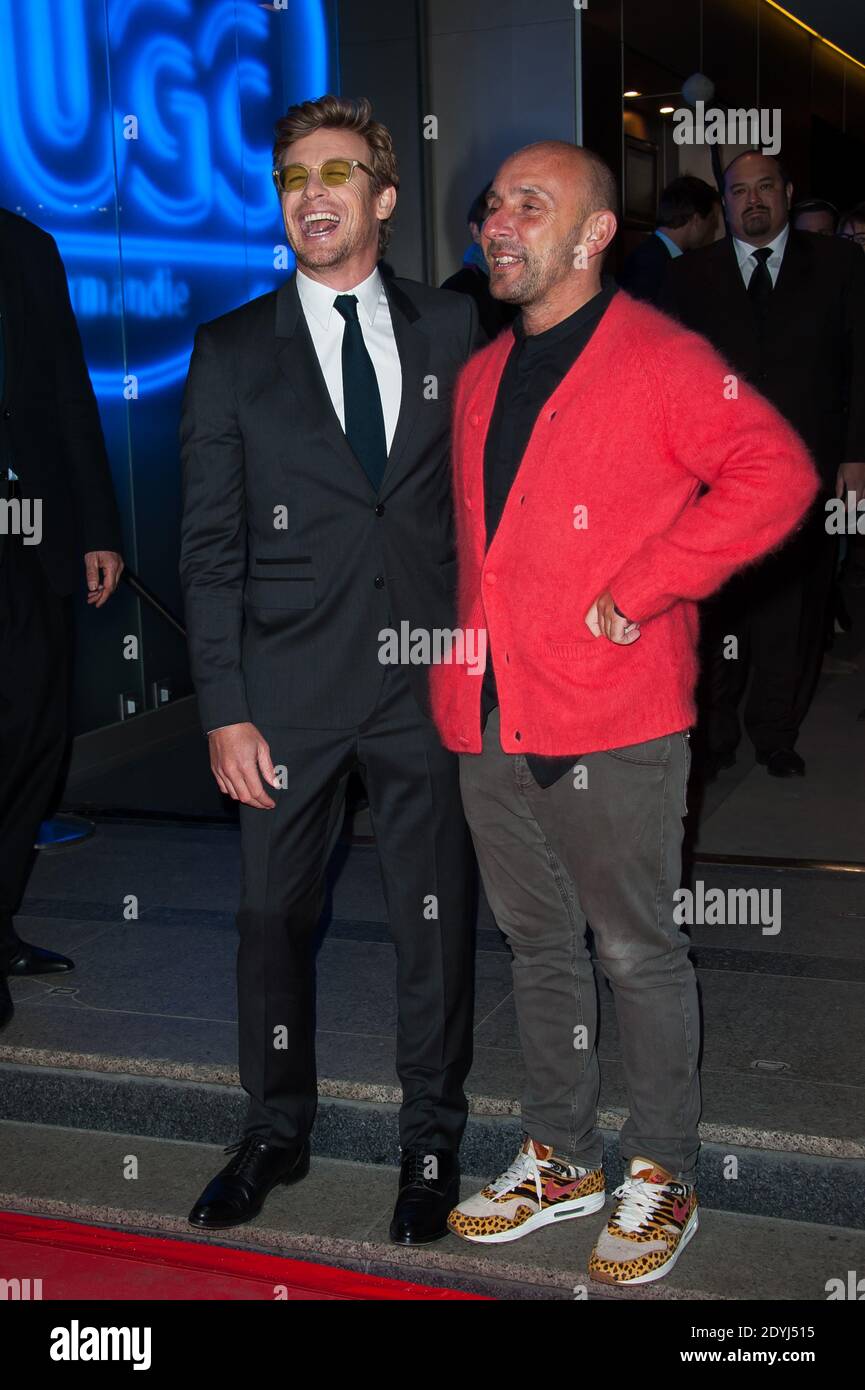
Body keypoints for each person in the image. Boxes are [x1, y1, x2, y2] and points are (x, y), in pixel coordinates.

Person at [429, 140, 817, 1285]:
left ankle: (664, 1170)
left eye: (529, 206)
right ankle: (561, 1154)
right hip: (492, 714)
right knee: (537, 943)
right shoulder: (487, 373)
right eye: (493, 205)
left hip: (615, 714)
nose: (498, 223)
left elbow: (778, 472)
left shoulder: (659, 356)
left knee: (636, 952)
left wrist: (641, 589)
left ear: (596, 233)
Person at [180, 95, 477, 1243]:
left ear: (383, 199)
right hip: (286, 697)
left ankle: (431, 1133)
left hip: (423, 686)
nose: (312, 191)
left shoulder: (453, 331)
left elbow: (477, 513)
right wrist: (225, 709)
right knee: (269, 919)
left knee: (433, 921)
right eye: (294, 173)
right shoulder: (230, 350)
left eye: (338, 172)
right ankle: (273, 1126)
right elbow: (208, 548)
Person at [659, 152, 865, 778]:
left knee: (796, 608)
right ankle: (715, 735)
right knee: (721, 608)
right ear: (724, 202)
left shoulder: (839, 266)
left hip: (809, 470)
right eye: (739, 190)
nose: (753, 201)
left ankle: (776, 731)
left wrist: (855, 455)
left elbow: (861, 364)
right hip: (717, 476)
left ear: (788, 191)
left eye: (765, 187)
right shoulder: (692, 276)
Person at [0, 210, 124, 1031]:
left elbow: (68, 388)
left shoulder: (25, 245)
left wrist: (97, 529)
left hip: (30, 531)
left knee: (31, 740)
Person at [618, 174, 719, 303]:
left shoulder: (656, 257)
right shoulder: (648, 265)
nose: (715, 227)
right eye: (711, 220)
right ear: (697, 220)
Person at [441, 182, 518, 341]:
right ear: (475, 231)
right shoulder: (458, 293)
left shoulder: (531, 286)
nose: (505, 232)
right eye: (493, 215)